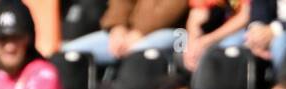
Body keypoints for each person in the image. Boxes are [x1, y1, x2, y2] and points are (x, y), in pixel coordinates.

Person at [61, 0, 190, 65]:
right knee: (67, 53)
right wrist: (117, 28)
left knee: (138, 53)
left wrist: (140, 31)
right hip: (129, 32)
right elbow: (121, 3)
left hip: (177, 32)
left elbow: (174, 7)